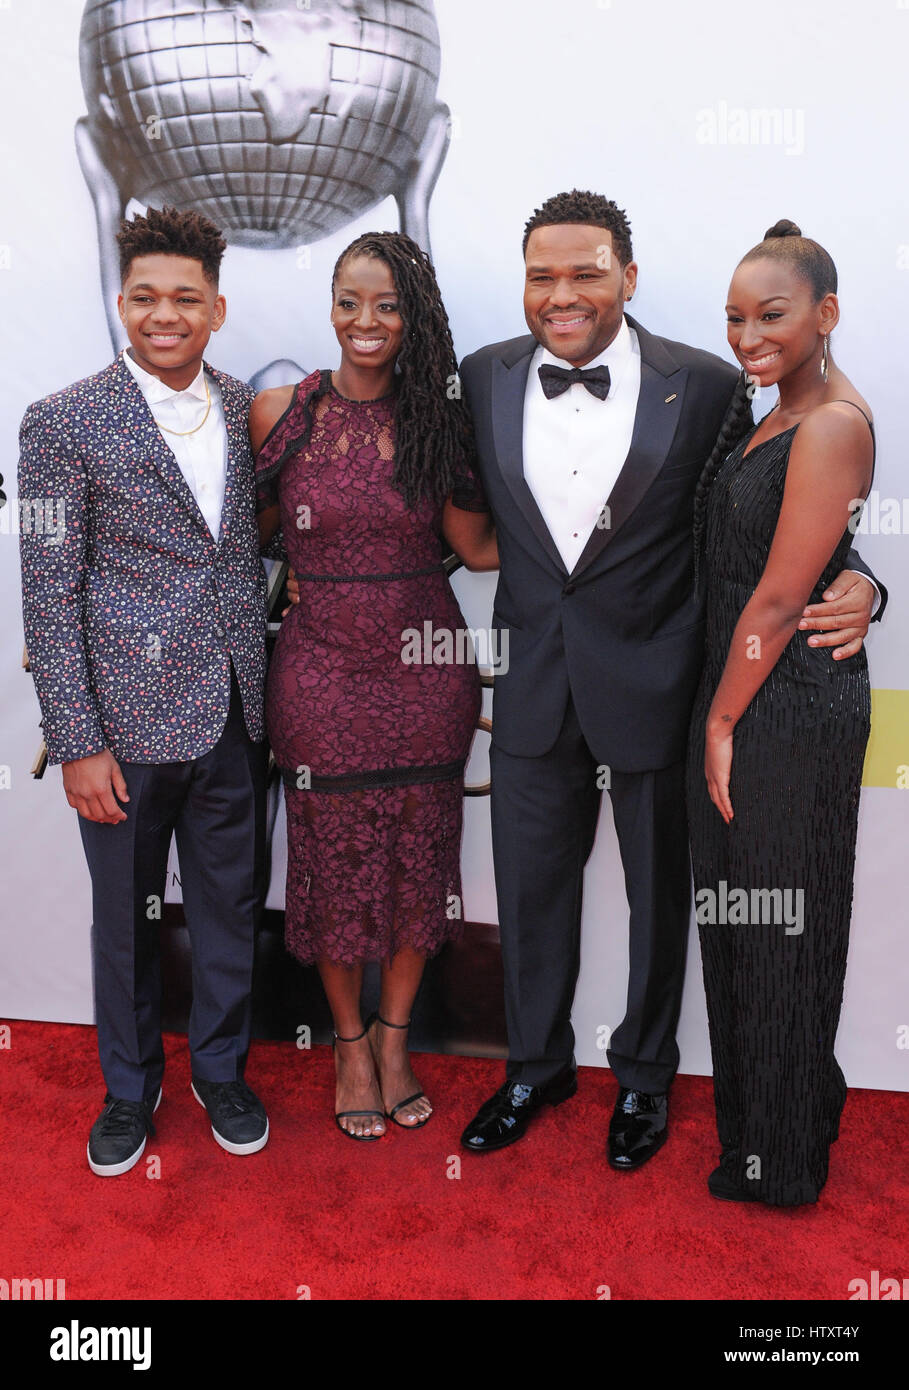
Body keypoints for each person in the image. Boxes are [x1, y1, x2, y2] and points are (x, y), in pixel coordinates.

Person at [455, 190, 882, 1166]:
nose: (561, 294)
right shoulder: (478, 379)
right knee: (528, 895)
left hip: (658, 690)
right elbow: (454, 514)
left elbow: (780, 524)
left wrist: (868, 584)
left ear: (629, 278)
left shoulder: (704, 386)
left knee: (663, 903)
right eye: (542, 275)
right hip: (529, 690)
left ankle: (644, 1080)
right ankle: (533, 1065)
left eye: (586, 271)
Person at [18, 206, 270, 1175]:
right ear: (122, 301)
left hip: (233, 715)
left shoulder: (246, 406)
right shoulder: (61, 420)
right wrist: (77, 739)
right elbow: (48, 588)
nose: (165, 315)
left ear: (216, 306)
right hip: (120, 732)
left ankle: (221, 1072)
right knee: (125, 921)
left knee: (228, 909)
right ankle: (129, 1088)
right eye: (146, 297)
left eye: (186, 299)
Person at [252, 231, 496, 1140]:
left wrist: (610, 540)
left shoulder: (438, 422)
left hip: (426, 668)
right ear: (328, 305)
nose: (367, 321)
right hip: (318, 672)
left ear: (413, 317)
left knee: (415, 860)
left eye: (387, 305)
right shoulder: (286, 409)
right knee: (329, 859)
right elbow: (254, 530)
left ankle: (395, 1040)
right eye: (350, 301)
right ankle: (348, 1046)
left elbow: (475, 548)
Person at [685, 221, 876, 1205]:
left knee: (782, 930)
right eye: (735, 317)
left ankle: (785, 1155)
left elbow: (774, 597)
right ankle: (766, 1127)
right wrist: (867, 581)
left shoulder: (834, 421)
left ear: (825, 314)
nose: (749, 333)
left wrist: (719, 725)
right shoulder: (764, 409)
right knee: (742, 928)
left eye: (771, 314)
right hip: (744, 694)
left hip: (781, 709)